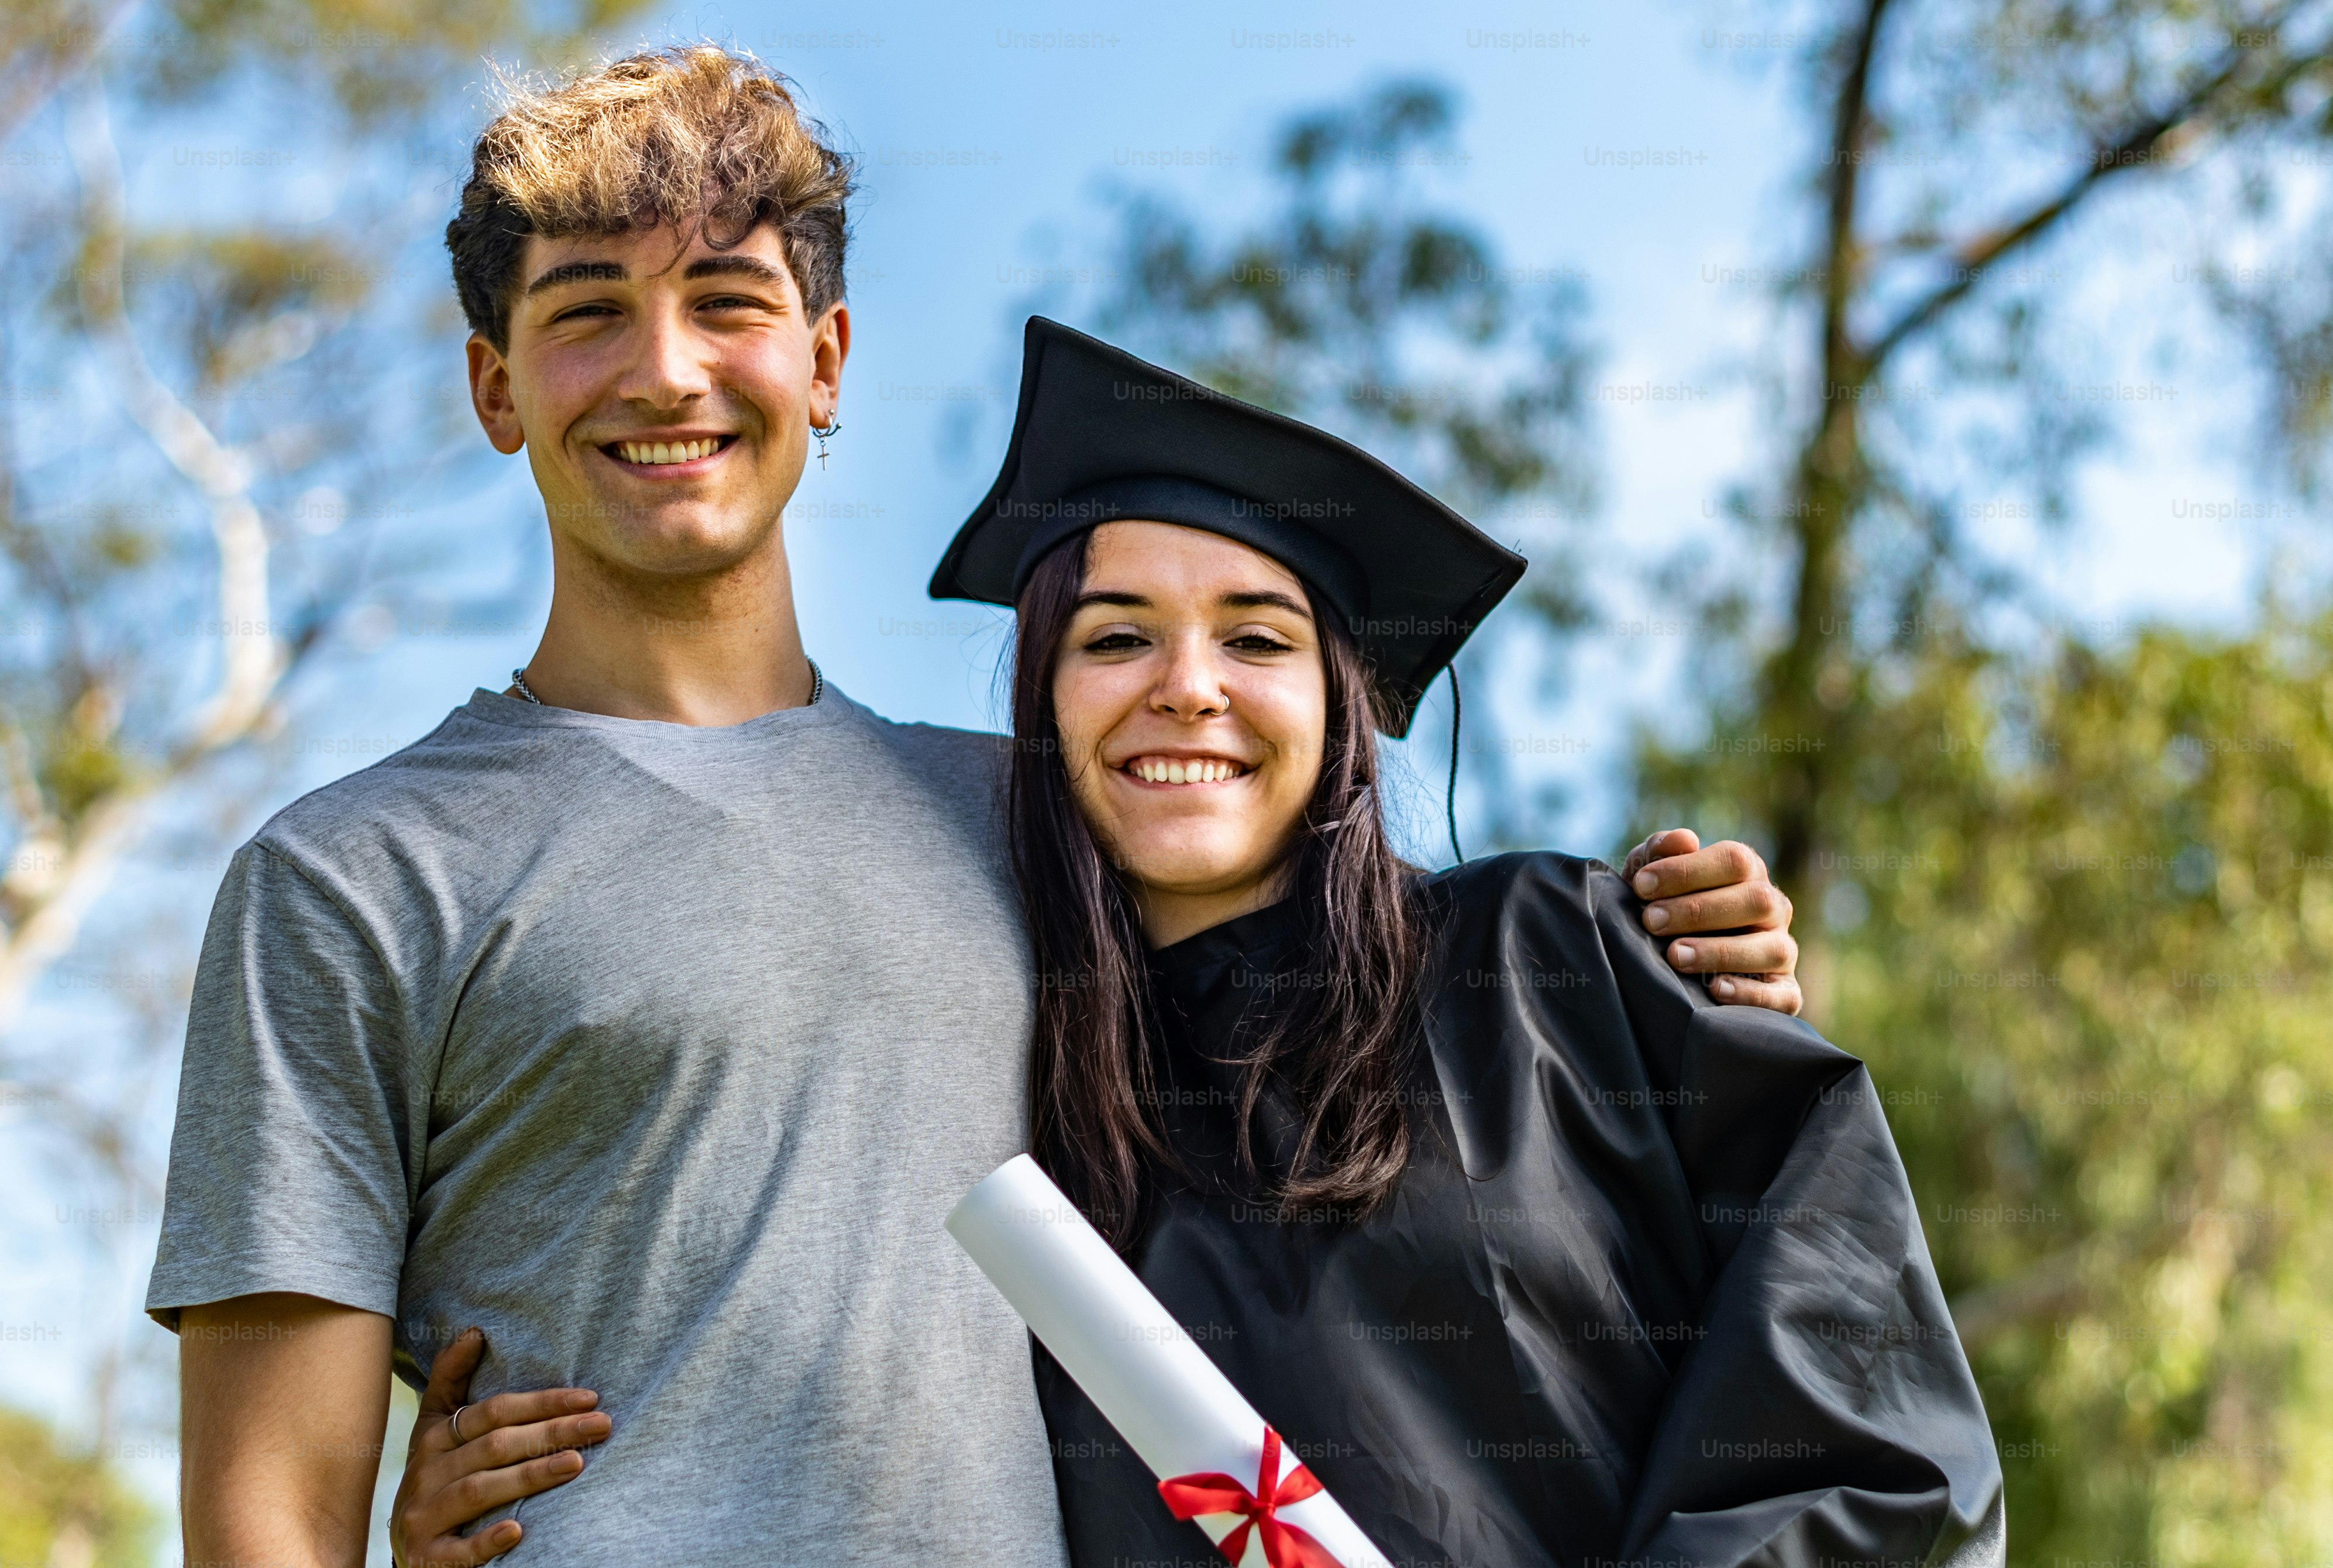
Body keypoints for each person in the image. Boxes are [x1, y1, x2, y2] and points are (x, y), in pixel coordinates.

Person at [146, 47, 1802, 1568]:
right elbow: (264, 1522)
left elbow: (1360, 1040)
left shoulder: (1047, 821)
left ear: (825, 361)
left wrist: (1661, 992)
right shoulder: (350, 880)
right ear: (497, 387)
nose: (664, 371)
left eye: (726, 301)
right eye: (588, 312)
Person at [396, 322, 2000, 1567]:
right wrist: (523, 1507)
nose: (1187, 685)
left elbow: (1860, 1403)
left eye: (1255, 635)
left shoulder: (1556, 967)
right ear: (1039, 706)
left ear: (1341, 708)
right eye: (1116, 637)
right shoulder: (991, 1083)